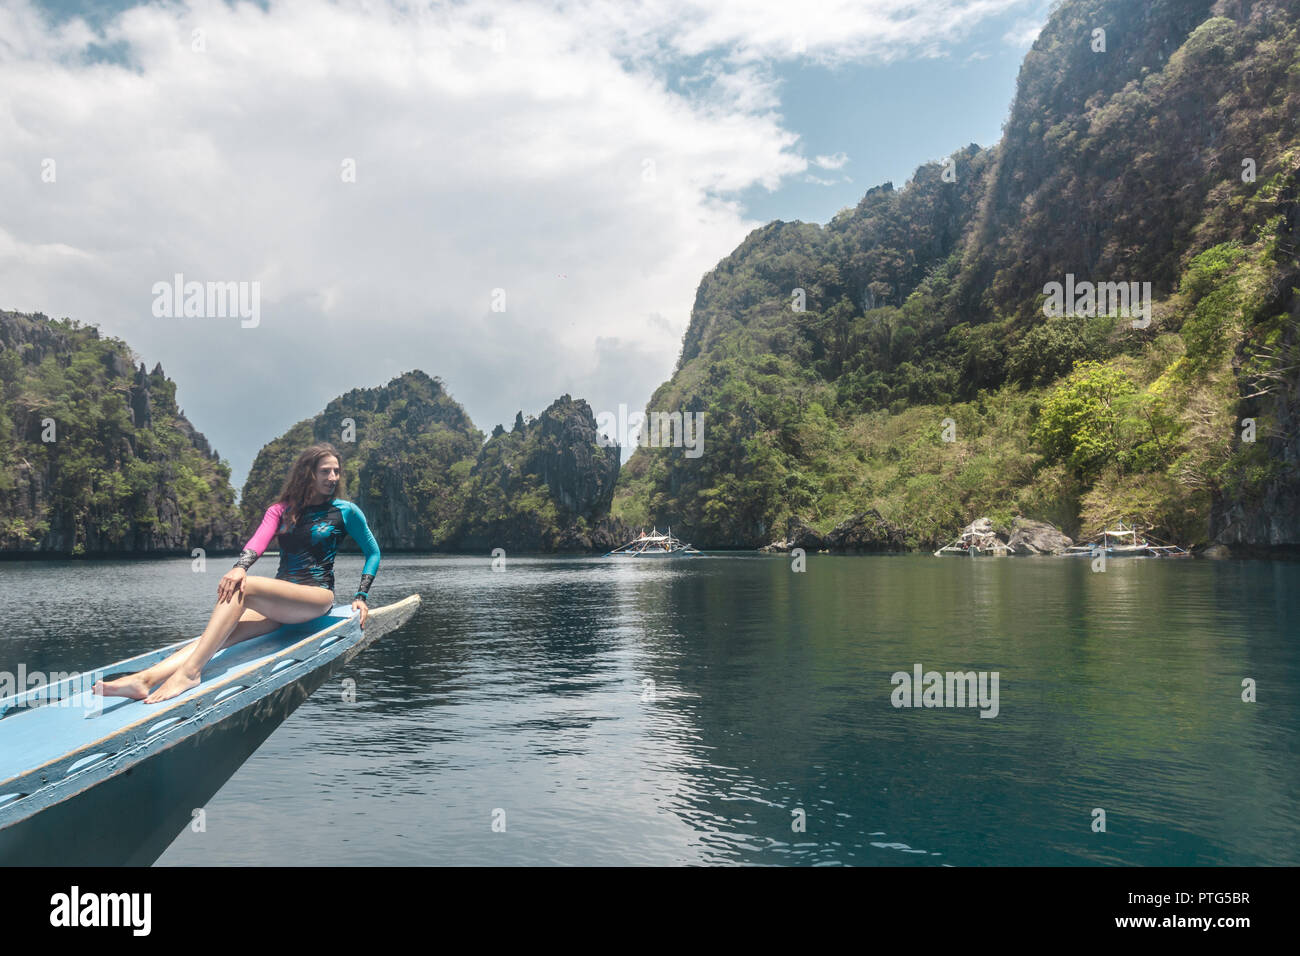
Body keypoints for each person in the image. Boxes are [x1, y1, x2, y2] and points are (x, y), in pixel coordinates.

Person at [94, 443, 380, 704]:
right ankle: (145, 679)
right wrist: (240, 566)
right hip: (281, 602)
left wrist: (361, 595)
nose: (332, 478)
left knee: (245, 587)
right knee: (217, 636)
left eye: (336, 472)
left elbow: (373, 552)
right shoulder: (281, 510)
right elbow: (257, 541)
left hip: (316, 597)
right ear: (308, 473)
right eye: (324, 471)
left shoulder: (346, 511)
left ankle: (190, 673)